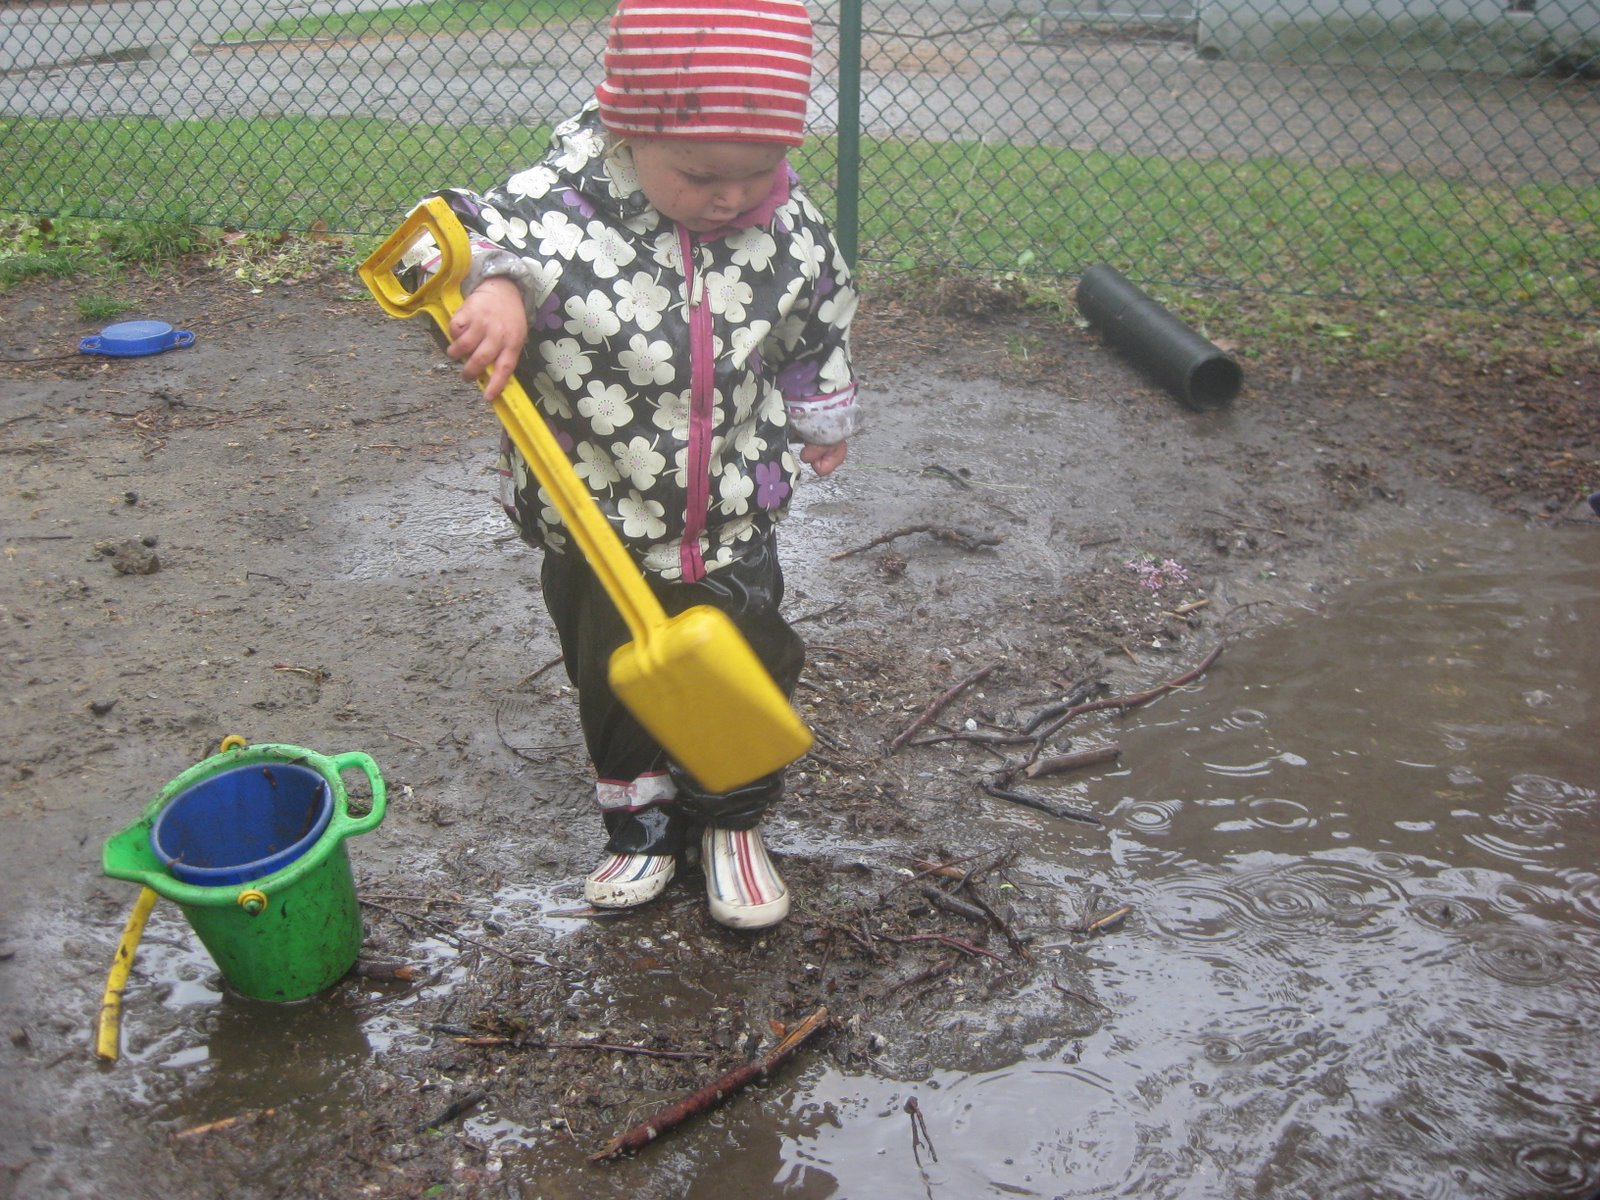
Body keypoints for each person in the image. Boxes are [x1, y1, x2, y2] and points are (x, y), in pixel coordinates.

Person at [403, 0, 859, 929]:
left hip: (731, 507)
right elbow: (452, 234)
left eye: (759, 170)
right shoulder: (557, 204)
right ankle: (640, 824)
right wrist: (497, 286)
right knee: (613, 677)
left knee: (748, 660)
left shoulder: (789, 224)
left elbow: (818, 319)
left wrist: (821, 409)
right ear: (628, 131)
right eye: (701, 175)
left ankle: (732, 820)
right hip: (595, 513)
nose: (731, 198)